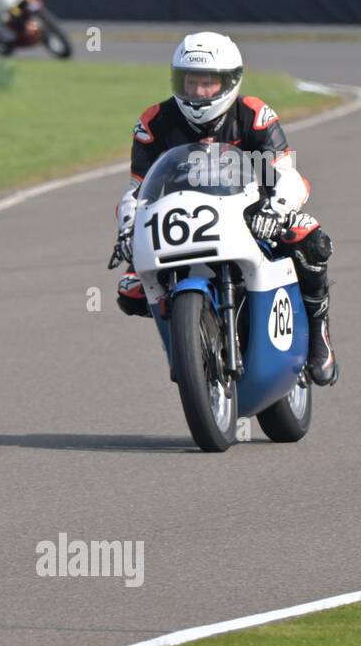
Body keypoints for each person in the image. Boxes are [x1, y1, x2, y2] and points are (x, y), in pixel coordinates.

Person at [108, 32, 338, 385]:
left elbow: (288, 176)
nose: (199, 92)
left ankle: (319, 332)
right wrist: (127, 229)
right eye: (191, 81)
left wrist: (274, 209)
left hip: (252, 215)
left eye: (208, 83)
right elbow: (137, 190)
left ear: (230, 82)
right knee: (130, 289)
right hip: (181, 221)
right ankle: (189, 346)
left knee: (310, 238)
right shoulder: (155, 122)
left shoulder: (253, 115)